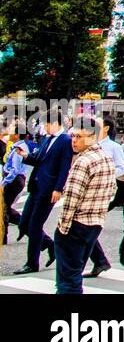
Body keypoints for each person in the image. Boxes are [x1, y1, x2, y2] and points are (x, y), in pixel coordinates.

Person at [52, 118, 117, 294]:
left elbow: (72, 199)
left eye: (79, 136)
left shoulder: (83, 161)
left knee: (68, 279)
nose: (74, 140)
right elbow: (112, 191)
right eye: (73, 135)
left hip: (76, 224)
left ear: (92, 136)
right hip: (95, 223)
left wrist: (62, 229)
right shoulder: (106, 158)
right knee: (75, 272)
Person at [15, 116, 72, 275]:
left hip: (48, 189)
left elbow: (64, 166)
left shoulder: (65, 140)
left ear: (55, 123)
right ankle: (51, 246)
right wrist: (25, 156)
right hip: (36, 186)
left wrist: (58, 188)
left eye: (46, 124)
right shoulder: (47, 139)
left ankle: (32, 263)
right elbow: (40, 160)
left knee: (34, 225)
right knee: (24, 223)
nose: (44, 128)